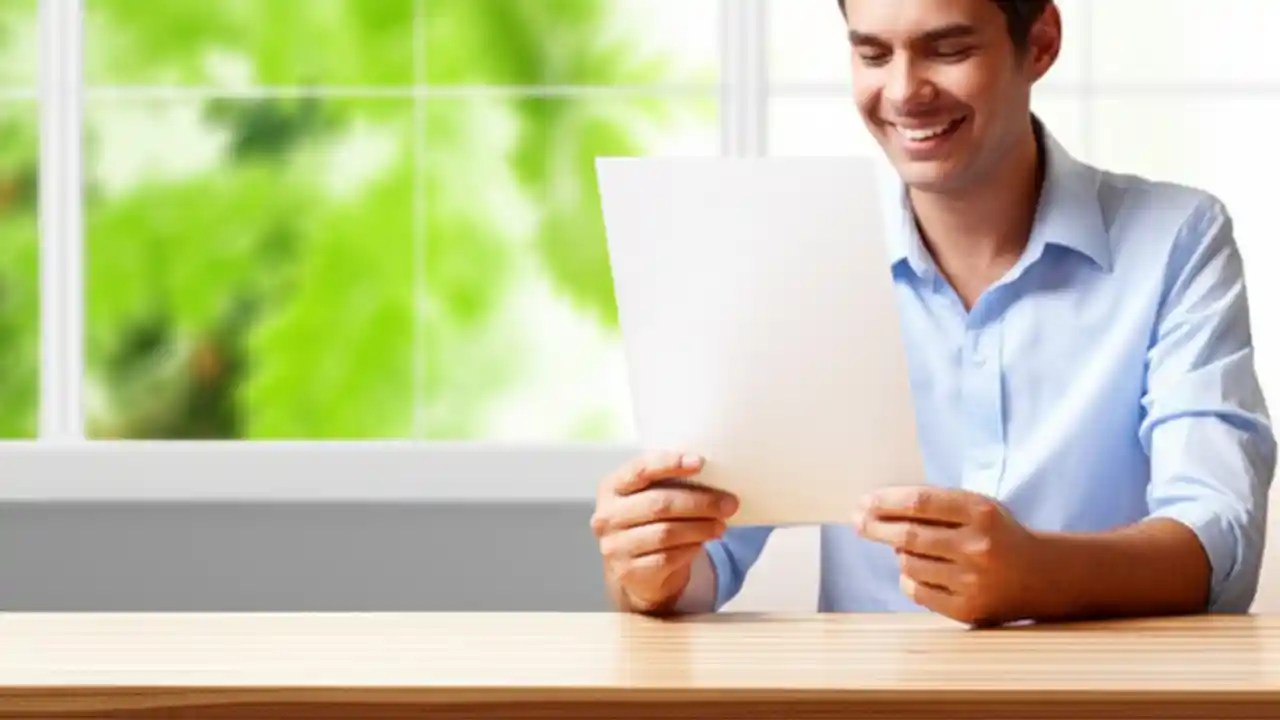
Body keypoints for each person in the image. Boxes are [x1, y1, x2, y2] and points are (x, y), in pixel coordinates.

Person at [590, 0, 1276, 626]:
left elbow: (1220, 537)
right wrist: (650, 570)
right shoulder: (800, 258)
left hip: (1103, 702)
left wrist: (1039, 575)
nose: (903, 92)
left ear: (1039, 43)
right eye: (873, 54)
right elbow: (703, 569)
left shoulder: (1175, 240)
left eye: (947, 51)